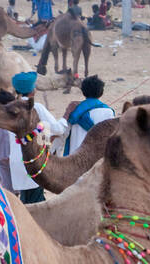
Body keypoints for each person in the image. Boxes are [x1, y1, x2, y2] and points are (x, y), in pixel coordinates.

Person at [8, 72, 68, 204]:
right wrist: (66, 117)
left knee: (27, 200)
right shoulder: (36, 107)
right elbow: (58, 128)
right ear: (32, 90)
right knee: (36, 202)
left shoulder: (11, 109)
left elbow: (39, 130)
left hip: (16, 161)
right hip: (33, 160)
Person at [61, 75, 114, 156]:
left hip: (74, 158)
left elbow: (63, 132)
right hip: (96, 158)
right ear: (101, 92)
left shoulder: (74, 110)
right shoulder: (108, 112)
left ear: (83, 91)